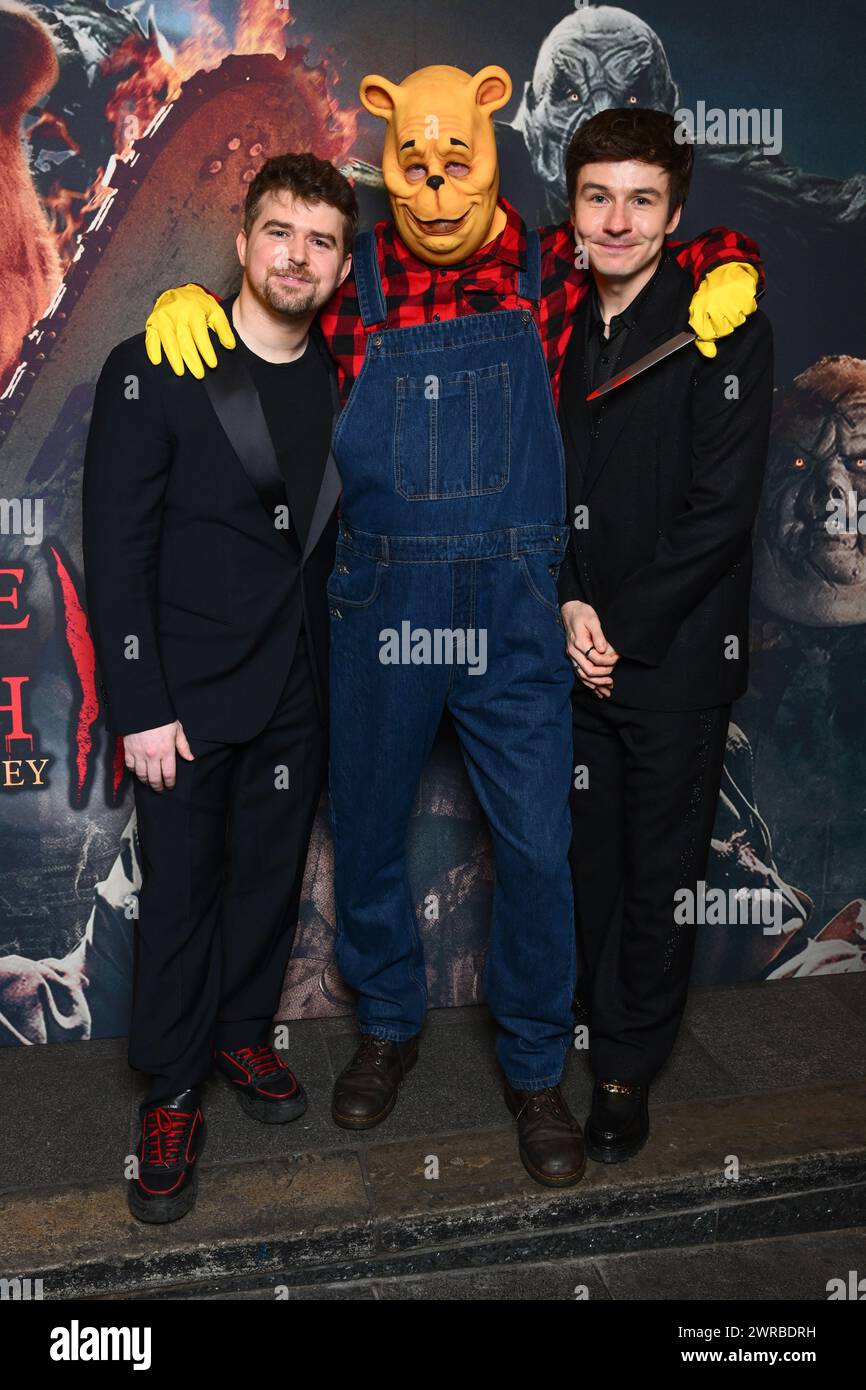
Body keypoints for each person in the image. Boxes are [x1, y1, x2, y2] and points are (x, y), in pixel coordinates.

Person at [140, 63, 764, 1188]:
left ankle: (534, 1068)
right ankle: (388, 1020)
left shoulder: (546, 262)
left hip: (515, 607)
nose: (431, 193)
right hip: (381, 599)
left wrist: (731, 264)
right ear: (386, 159)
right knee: (368, 830)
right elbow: (262, 314)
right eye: (410, 168)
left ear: (492, 142)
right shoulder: (353, 269)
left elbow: (660, 246)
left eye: (455, 163)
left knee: (535, 845)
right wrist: (183, 306)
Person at [82, 153, 356, 1223]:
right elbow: (116, 541)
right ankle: (172, 1086)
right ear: (241, 243)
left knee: (265, 884)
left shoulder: (346, 374)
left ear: (340, 266)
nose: (297, 255)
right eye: (279, 232)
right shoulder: (156, 359)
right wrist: (139, 701)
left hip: (297, 683)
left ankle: (244, 1034)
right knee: (182, 895)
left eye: (321, 240)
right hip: (183, 696)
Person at [557, 107, 774, 1163]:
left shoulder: (720, 323)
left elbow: (718, 513)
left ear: (674, 215)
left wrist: (618, 631)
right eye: (597, 195)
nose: (617, 218)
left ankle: (622, 1069)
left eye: (640, 200)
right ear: (572, 208)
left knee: (656, 869)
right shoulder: (561, 325)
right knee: (587, 863)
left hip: (676, 660)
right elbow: (540, 486)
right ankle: (595, 1019)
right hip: (574, 648)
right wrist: (566, 607)